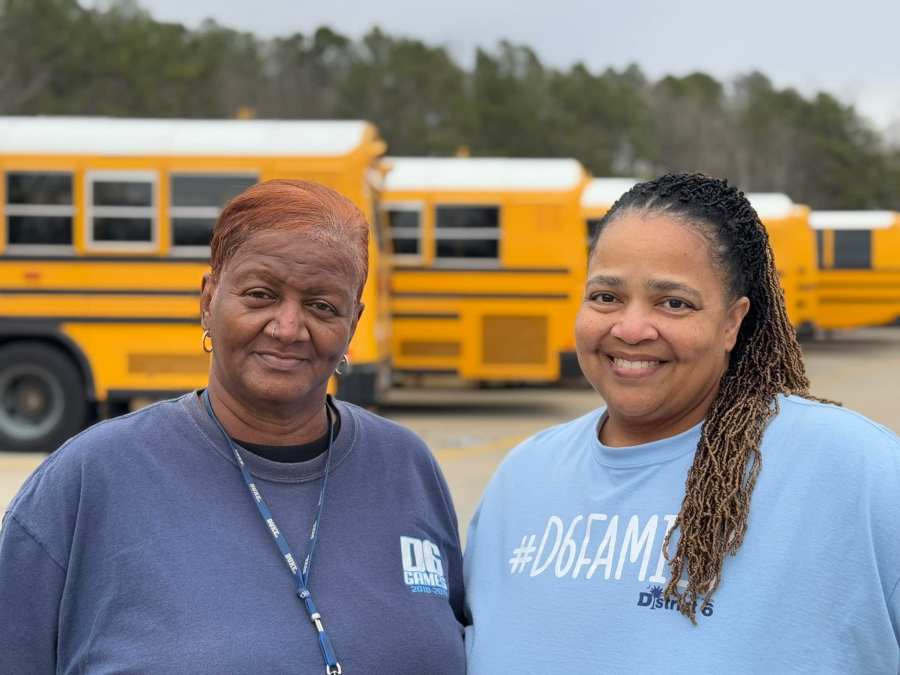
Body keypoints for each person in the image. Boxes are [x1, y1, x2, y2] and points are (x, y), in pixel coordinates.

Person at [0, 179, 466, 674]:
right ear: (208, 299)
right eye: (260, 295)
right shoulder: (90, 479)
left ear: (352, 324)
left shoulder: (406, 468)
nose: (288, 328)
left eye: (322, 306)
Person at [464, 173, 900, 673]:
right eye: (605, 296)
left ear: (732, 322)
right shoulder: (523, 478)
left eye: (674, 303)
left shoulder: (855, 471)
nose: (630, 328)